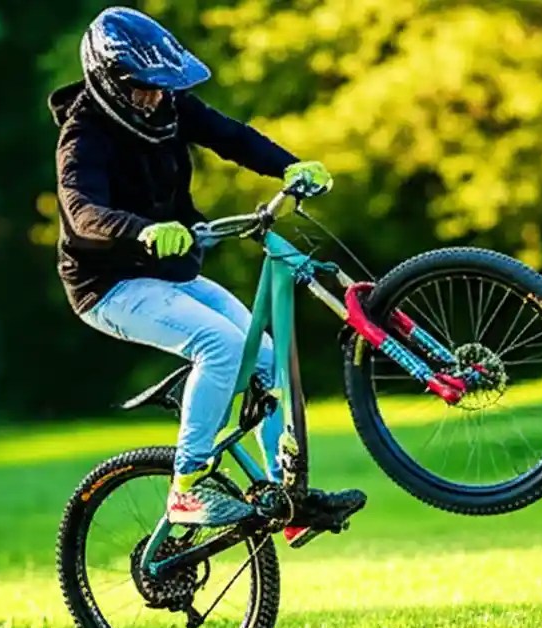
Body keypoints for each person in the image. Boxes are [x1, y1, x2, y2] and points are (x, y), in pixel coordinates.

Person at [48, 7, 365, 544]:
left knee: (268, 359)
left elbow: (232, 136)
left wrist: (289, 165)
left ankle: (282, 496)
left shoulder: (170, 107)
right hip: (108, 287)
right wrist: (143, 230)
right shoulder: (83, 136)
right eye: (142, 88)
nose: (155, 98)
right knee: (221, 345)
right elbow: (82, 212)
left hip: (169, 274)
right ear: (108, 83)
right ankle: (188, 486)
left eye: (161, 86)